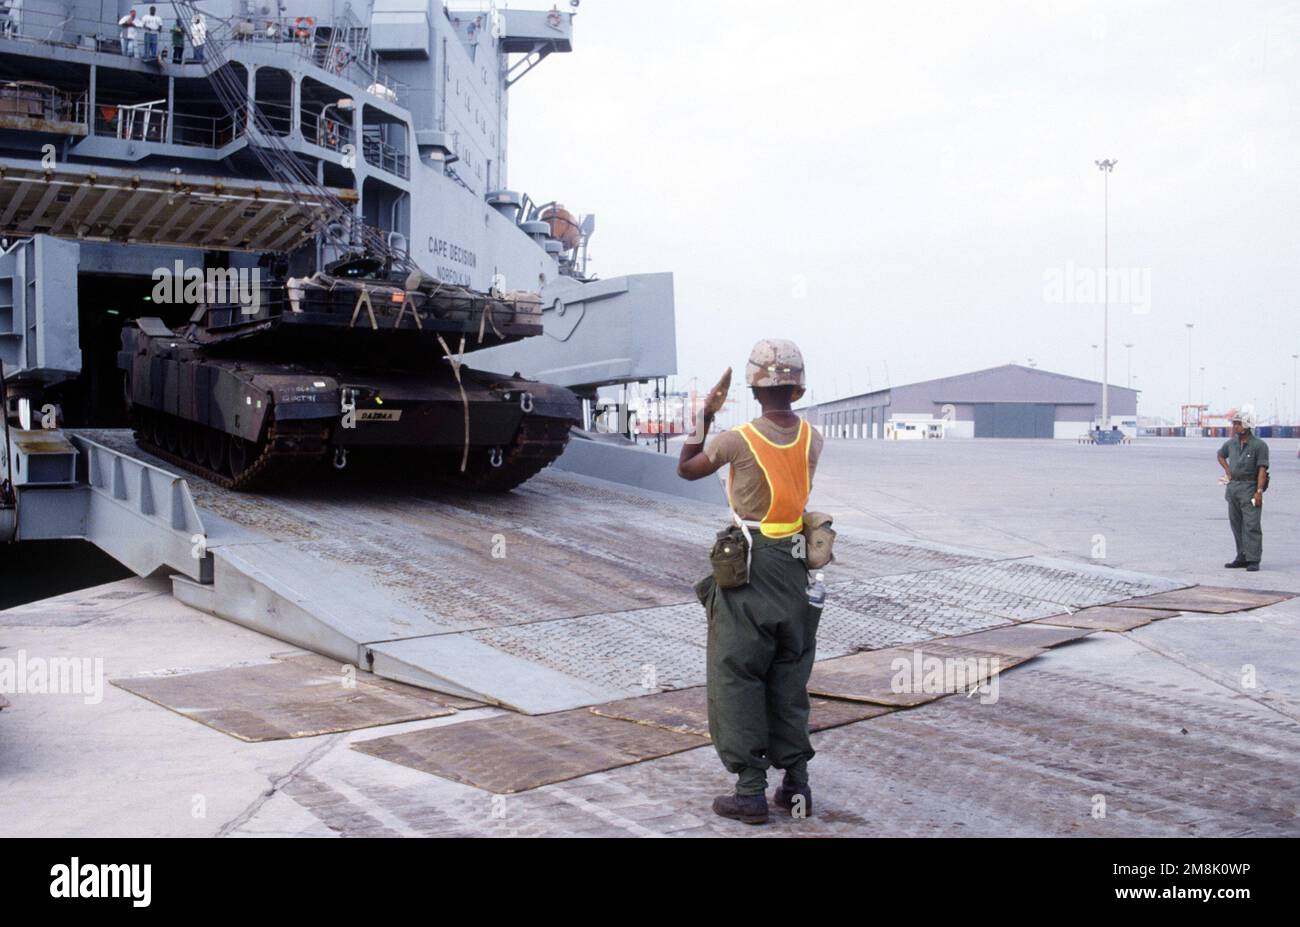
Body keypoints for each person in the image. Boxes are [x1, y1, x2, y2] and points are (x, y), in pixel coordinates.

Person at [678, 338, 825, 824]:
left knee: (738, 673)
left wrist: (704, 414)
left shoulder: (736, 439)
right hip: (798, 564)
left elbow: (687, 470)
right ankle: (796, 785)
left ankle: (749, 792)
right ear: (796, 388)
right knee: (790, 673)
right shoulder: (813, 439)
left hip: (751, 567)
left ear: (755, 388)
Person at [1218, 404, 1268, 572]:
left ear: (1247, 425)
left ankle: (1253, 559)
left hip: (1250, 488)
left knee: (1252, 524)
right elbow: (1220, 455)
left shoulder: (1259, 446)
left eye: (1238, 423)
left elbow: (1262, 470)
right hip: (1233, 489)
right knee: (1236, 524)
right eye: (1234, 423)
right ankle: (1242, 556)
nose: (1235, 426)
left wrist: (1259, 492)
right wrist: (1227, 470)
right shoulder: (1231, 444)